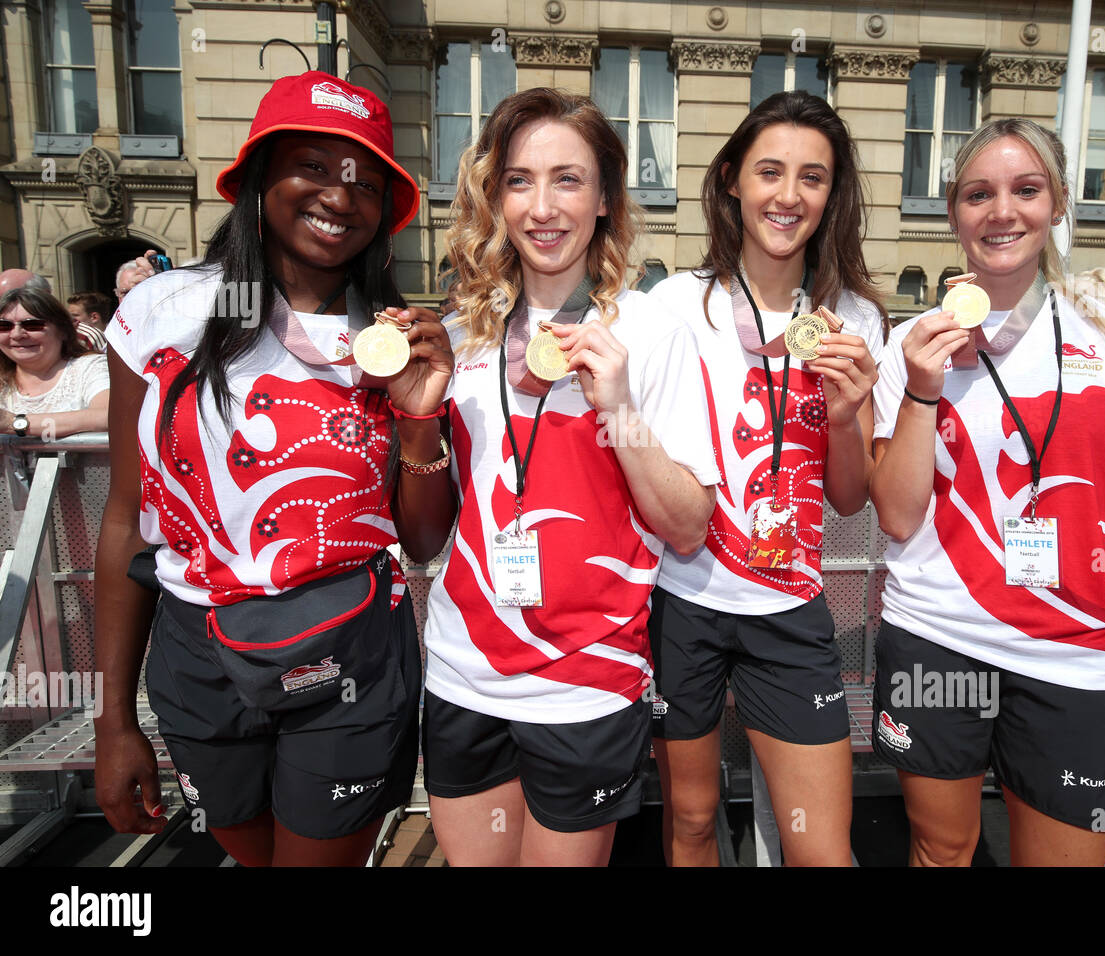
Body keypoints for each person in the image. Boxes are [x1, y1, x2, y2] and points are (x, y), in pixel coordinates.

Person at [94, 71, 444, 867]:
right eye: (311, 167)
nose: (338, 195)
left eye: (362, 179)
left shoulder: (395, 341)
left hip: (346, 652)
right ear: (258, 178)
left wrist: (420, 417)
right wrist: (113, 720)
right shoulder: (160, 315)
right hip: (195, 656)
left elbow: (423, 542)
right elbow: (124, 514)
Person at [870, 118, 1105, 866]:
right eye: (978, 194)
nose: (1002, 212)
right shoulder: (914, 341)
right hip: (937, 638)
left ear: (1056, 206)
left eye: (1026, 190)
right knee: (941, 850)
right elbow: (894, 513)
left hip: (1074, 656)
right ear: (954, 212)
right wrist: (922, 390)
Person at [422, 88, 719, 867]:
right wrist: (417, 422)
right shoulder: (461, 331)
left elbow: (688, 526)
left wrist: (617, 408)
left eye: (568, 180)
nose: (542, 207)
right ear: (494, 196)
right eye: (518, 180)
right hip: (463, 668)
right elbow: (429, 524)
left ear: (605, 199)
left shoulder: (653, 331)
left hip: (586, 681)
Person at [646, 91, 886, 867]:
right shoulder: (678, 307)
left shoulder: (853, 317)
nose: (788, 196)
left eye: (812, 177)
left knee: (820, 846)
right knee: (689, 821)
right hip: (682, 602)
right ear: (731, 181)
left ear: (833, 193)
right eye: (770, 172)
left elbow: (850, 497)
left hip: (790, 608)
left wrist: (848, 414)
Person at [0, 289, 108, 438]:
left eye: (32, 325)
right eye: (4, 326)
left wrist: (14, 423)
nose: (17, 334)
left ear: (63, 330)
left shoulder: (90, 367)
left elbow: (107, 416)